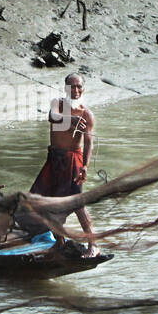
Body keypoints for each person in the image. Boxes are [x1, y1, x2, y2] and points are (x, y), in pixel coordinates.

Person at [30, 73, 98, 253]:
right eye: (71, 86)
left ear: (83, 89)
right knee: (45, 200)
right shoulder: (57, 104)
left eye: (79, 87)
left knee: (77, 204)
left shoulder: (86, 114)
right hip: (54, 159)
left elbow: (89, 142)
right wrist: (70, 120)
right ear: (65, 88)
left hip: (72, 161)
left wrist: (85, 166)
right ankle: (59, 241)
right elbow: (52, 117)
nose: (75, 90)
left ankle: (93, 244)